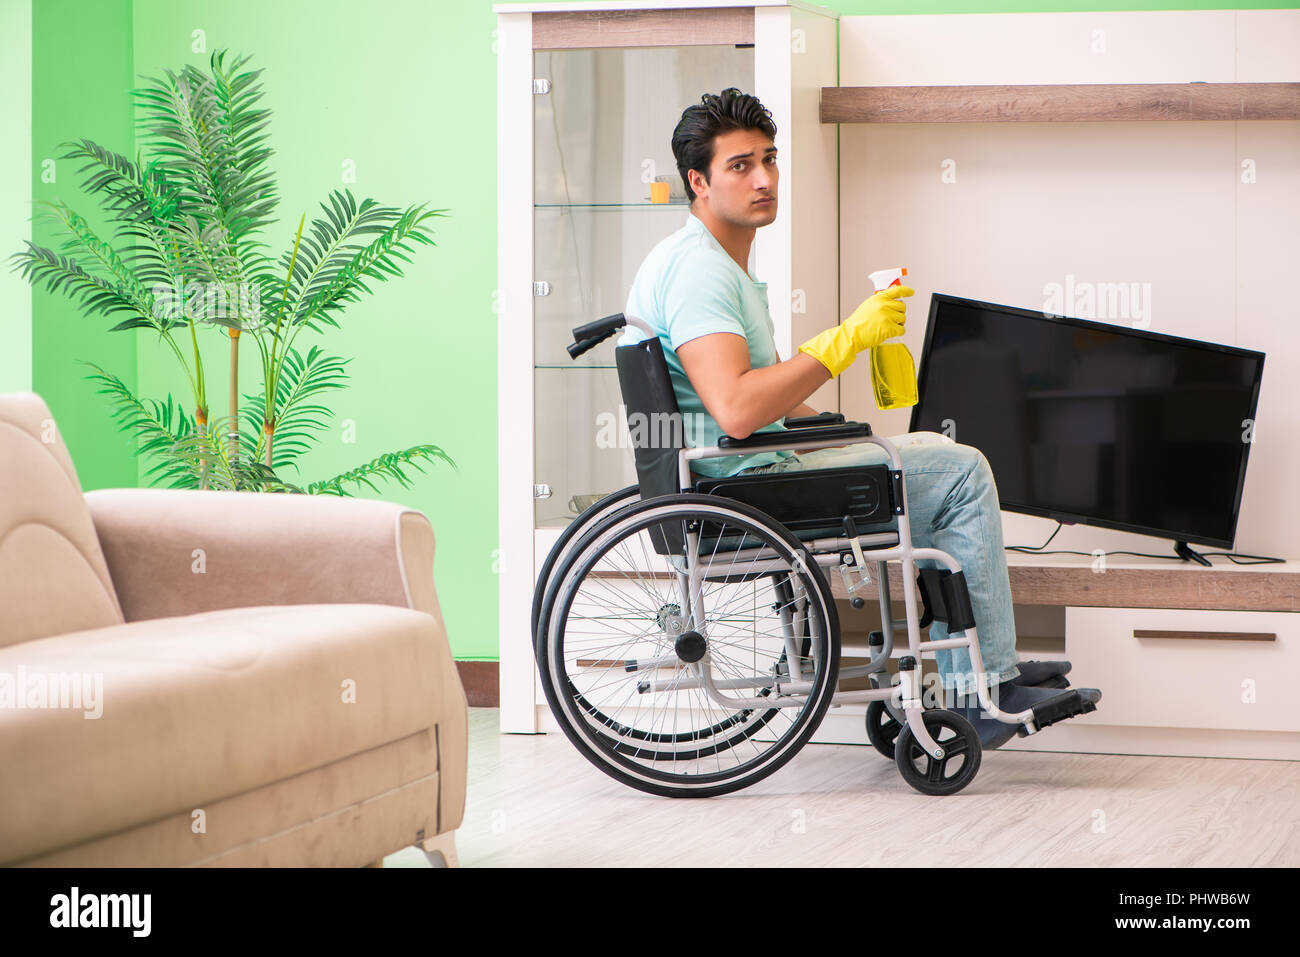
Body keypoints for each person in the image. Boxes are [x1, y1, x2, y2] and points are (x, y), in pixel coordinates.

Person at [621, 88, 1100, 749]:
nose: (763, 179)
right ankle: (982, 682)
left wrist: (849, 431)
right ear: (697, 181)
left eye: (769, 159)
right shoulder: (700, 272)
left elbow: (767, 397)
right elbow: (736, 407)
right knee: (961, 470)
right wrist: (845, 337)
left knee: (920, 454)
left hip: (746, 470)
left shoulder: (715, 264)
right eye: (739, 166)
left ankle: (980, 673)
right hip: (742, 484)